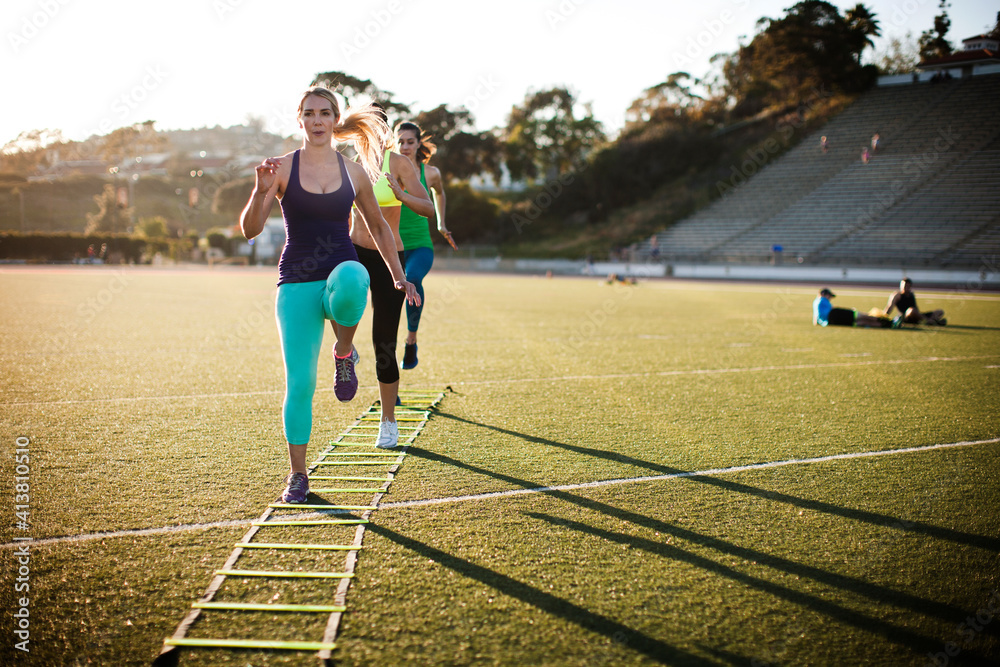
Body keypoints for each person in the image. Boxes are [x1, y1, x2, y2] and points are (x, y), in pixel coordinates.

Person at [240, 86, 419, 503]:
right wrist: (259, 188)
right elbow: (250, 229)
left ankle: (344, 351)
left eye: (325, 113)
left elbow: (378, 228)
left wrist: (397, 275)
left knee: (357, 275)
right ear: (299, 120)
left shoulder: (354, 173)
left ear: (335, 121)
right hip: (297, 283)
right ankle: (298, 476)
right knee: (300, 384)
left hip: (341, 272)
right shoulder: (281, 168)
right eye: (309, 114)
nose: (317, 121)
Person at [346, 107, 434, 449]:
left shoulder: (398, 164)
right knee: (338, 308)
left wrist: (401, 195)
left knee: (384, 341)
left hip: (389, 258)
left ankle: (388, 421)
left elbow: (428, 207)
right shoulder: (349, 164)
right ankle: (345, 352)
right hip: (353, 252)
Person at [395, 121, 457, 370]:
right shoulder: (387, 170)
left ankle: (411, 339)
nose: (405, 146)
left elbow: (439, 193)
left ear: (419, 143)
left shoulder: (430, 173)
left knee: (413, 279)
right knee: (388, 299)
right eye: (400, 141)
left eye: (410, 141)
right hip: (393, 246)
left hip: (420, 246)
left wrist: (441, 223)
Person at [812, 288, 890, 328]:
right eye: (829, 296)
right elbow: (832, 309)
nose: (829, 298)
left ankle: (881, 324)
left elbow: (816, 321)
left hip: (829, 322)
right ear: (823, 294)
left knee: (858, 323)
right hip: (834, 314)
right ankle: (883, 320)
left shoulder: (815, 303)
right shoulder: (821, 299)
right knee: (859, 316)